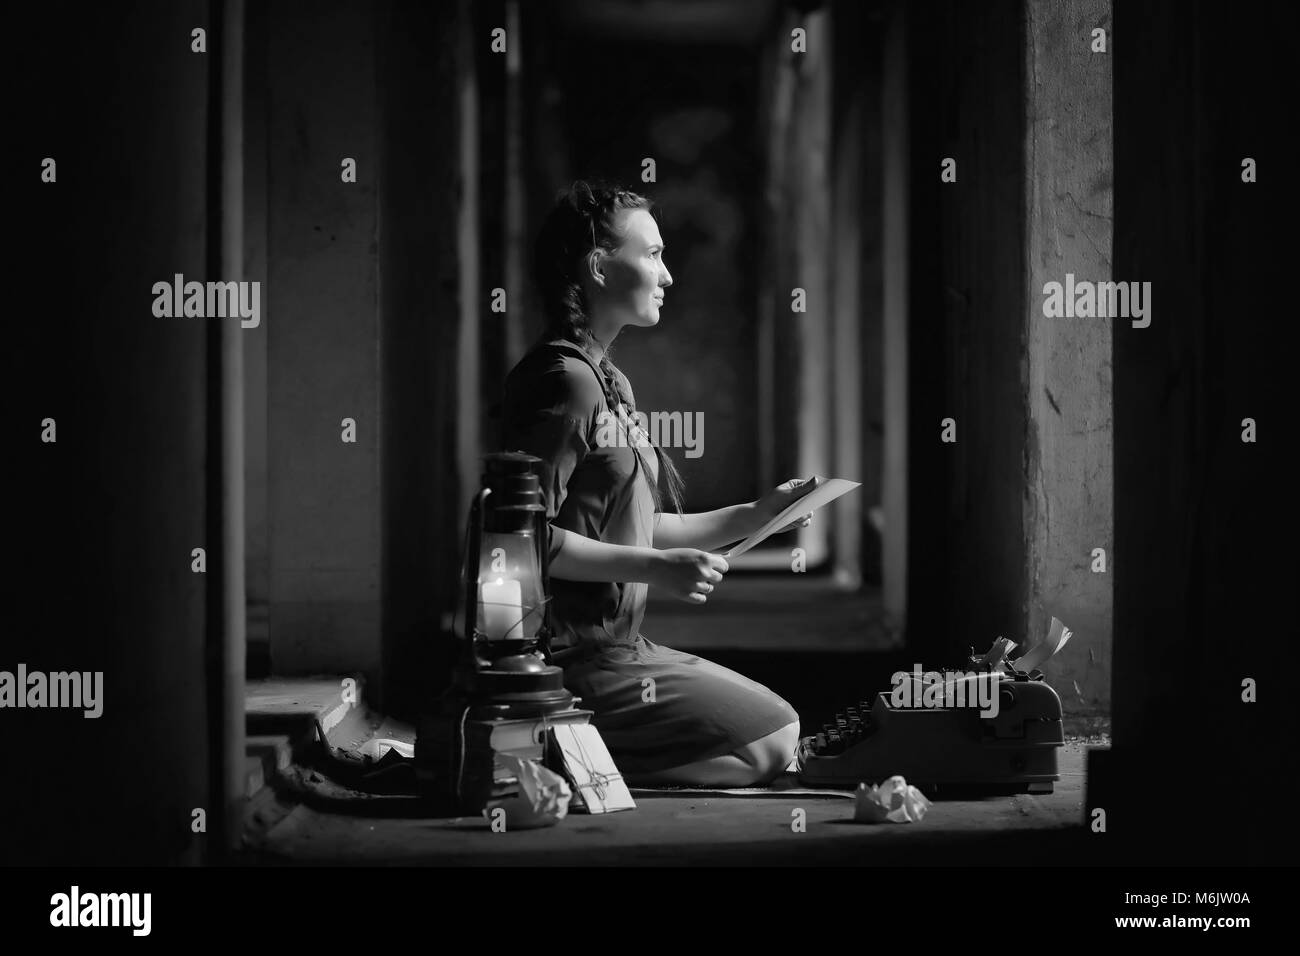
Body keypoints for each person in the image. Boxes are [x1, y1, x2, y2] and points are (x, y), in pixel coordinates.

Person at [500, 180, 815, 787]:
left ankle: (571, 755)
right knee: (772, 741)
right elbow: (526, 540)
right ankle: (548, 749)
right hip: (567, 659)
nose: (668, 275)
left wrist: (756, 513)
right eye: (652, 254)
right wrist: (657, 568)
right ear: (598, 266)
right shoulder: (565, 383)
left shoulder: (607, 379)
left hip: (623, 650)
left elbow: (637, 525)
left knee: (778, 732)